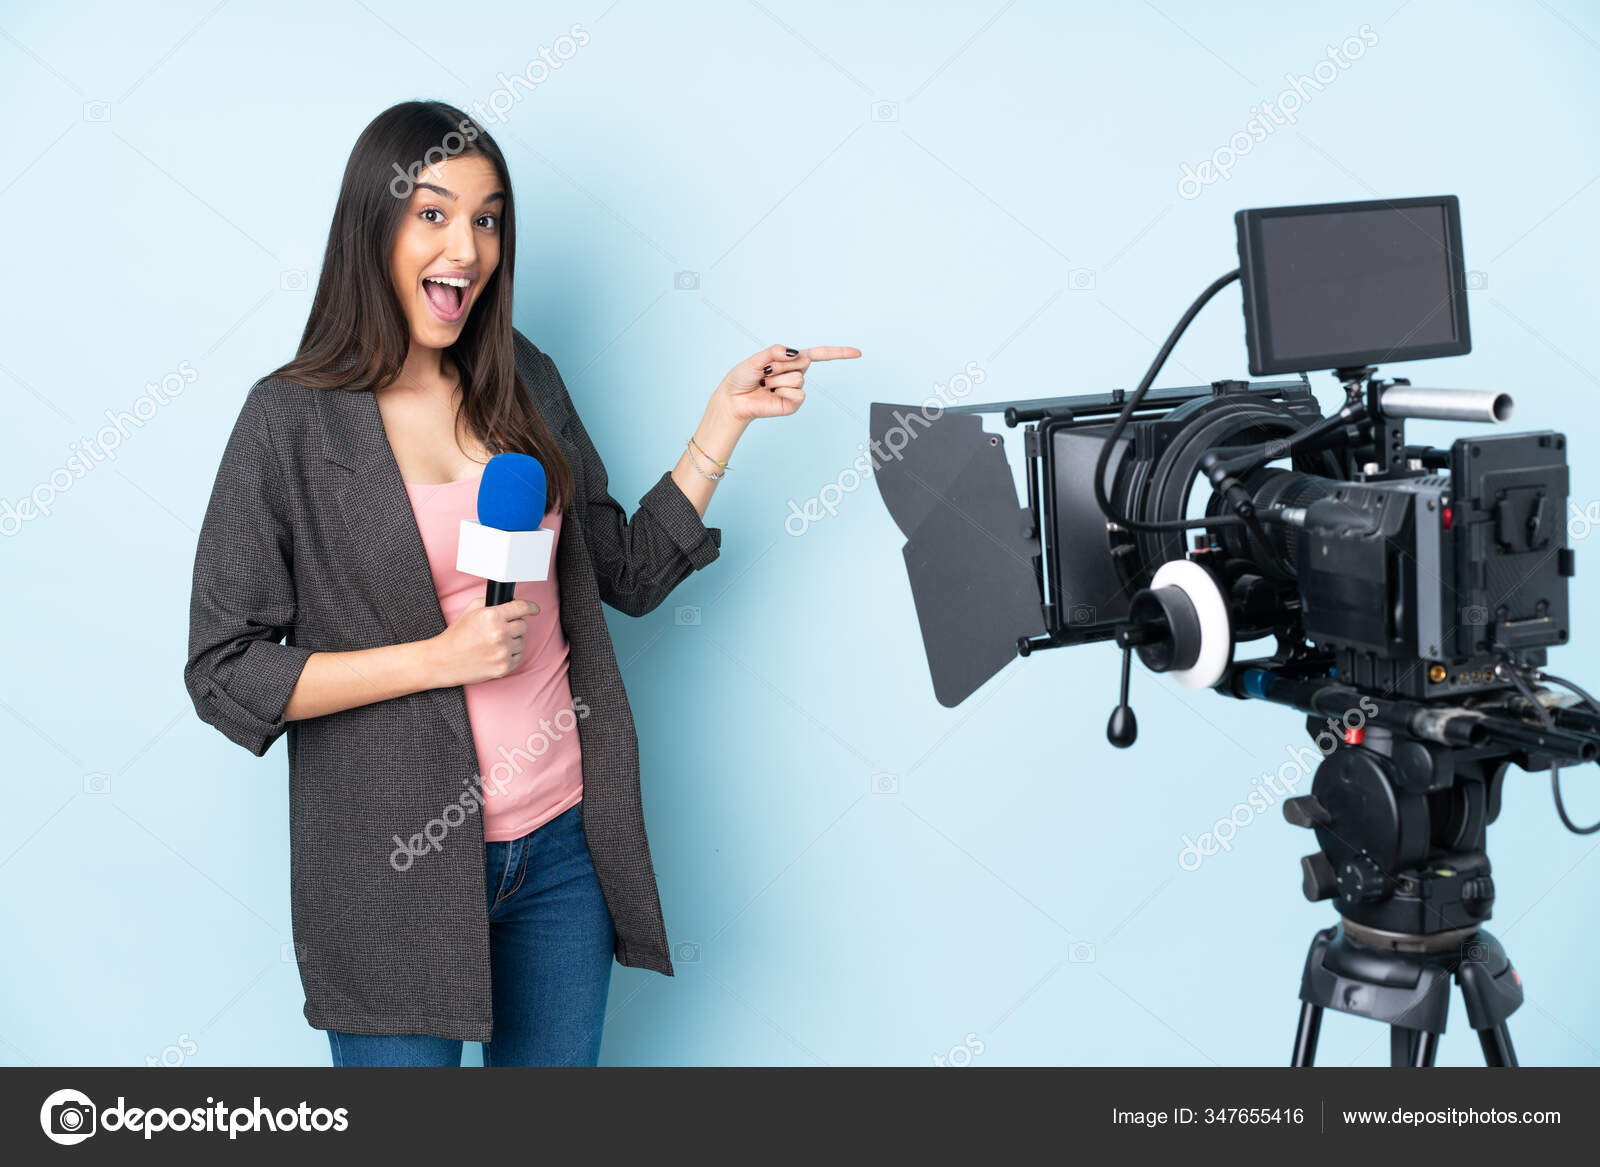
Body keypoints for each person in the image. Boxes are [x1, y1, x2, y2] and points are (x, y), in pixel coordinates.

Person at [184, 99, 859, 1066]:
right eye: (433, 213)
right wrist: (436, 659)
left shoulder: (524, 379)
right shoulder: (290, 421)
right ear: (371, 225)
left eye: (488, 218)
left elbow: (621, 570)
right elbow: (224, 669)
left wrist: (724, 421)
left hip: (559, 853)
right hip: (390, 869)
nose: (466, 244)